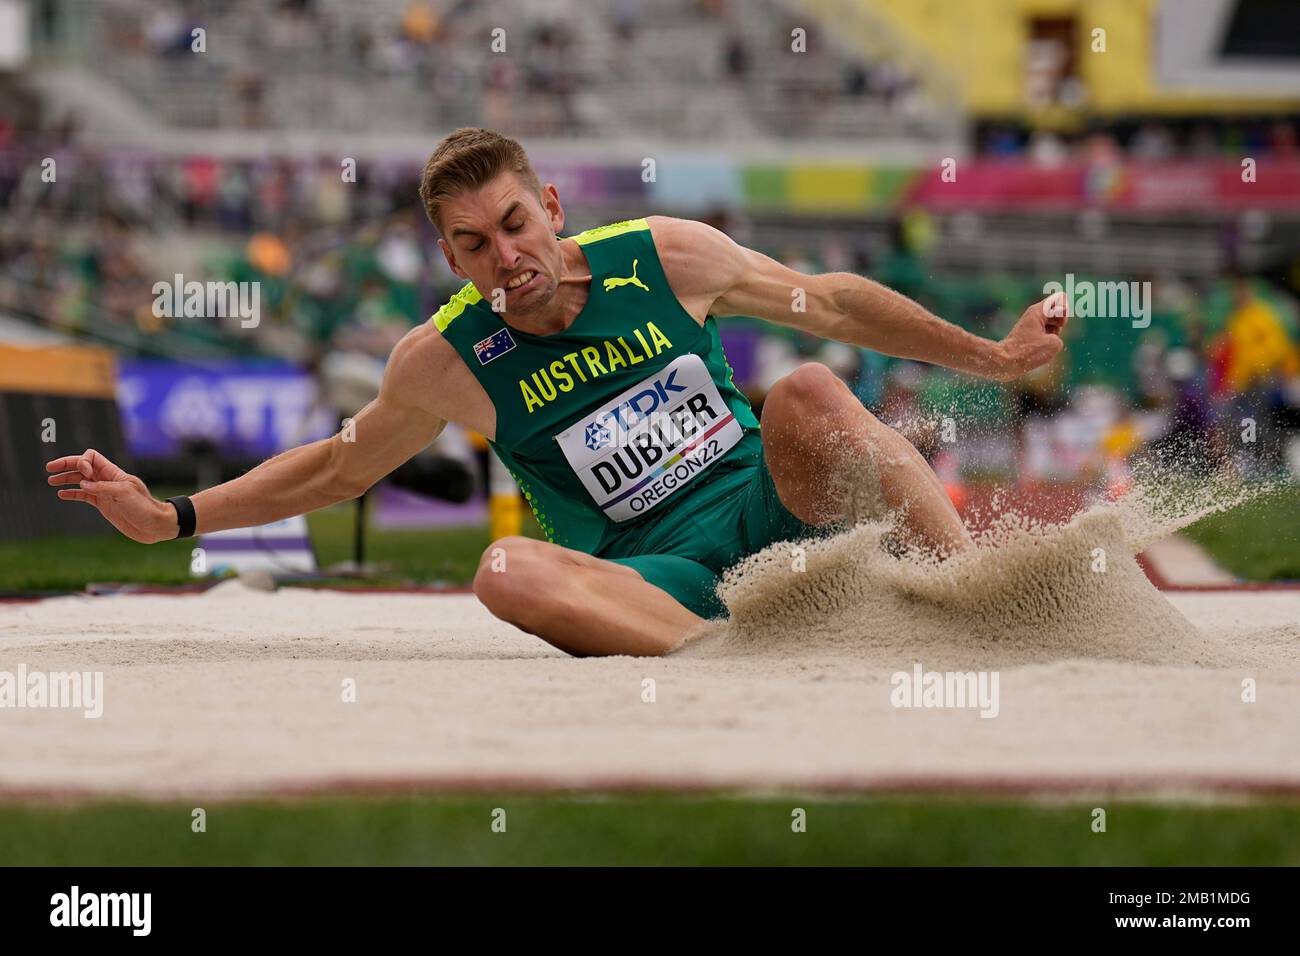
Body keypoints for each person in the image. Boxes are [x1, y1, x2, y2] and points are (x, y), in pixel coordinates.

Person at [46, 128, 1068, 658]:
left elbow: (835, 304)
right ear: (448, 255)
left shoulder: (663, 255)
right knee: (503, 571)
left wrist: (993, 355)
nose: (506, 256)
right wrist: (172, 515)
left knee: (804, 384)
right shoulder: (442, 357)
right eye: (473, 244)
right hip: (650, 575)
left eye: (514, 225)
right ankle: (727, 657)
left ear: (550, 206)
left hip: (772, 507)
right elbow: (337, 465)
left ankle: (968, 592)